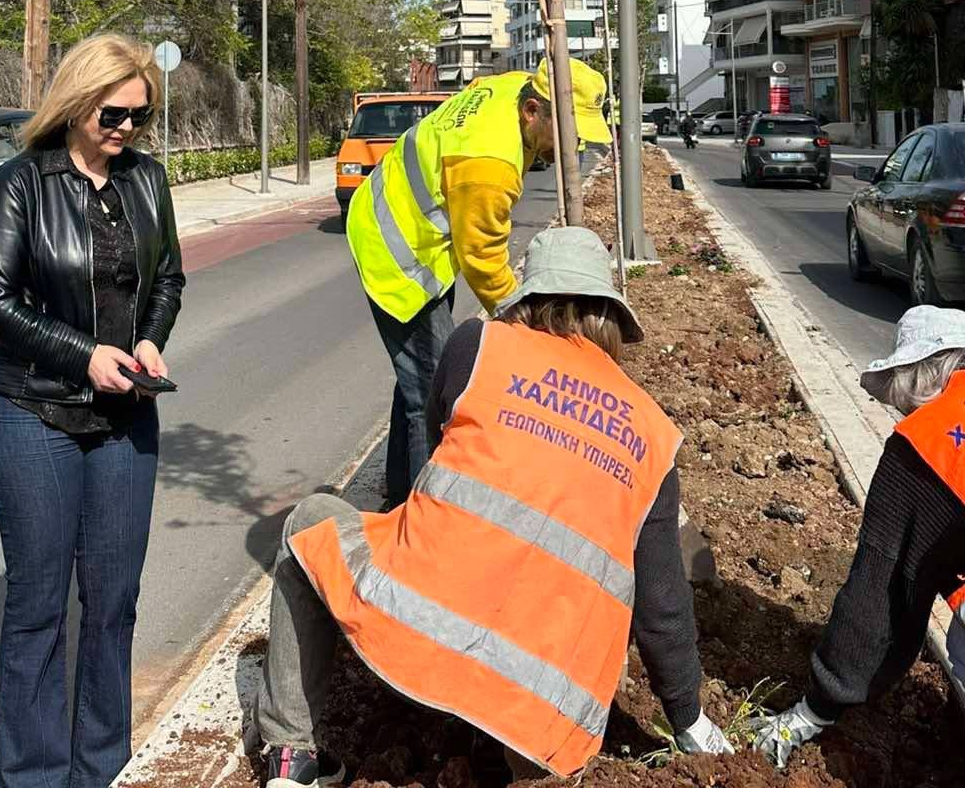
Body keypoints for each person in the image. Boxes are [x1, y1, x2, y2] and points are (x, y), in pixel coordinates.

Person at [253, 227, 732, 787]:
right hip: (543, 708)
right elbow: (662, 606)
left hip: (416, 634)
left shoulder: (477, 347)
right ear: (612, 319)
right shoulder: (653, 433)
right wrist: (690, 720)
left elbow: (440, 455)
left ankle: (291, 759)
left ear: (527, 299)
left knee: (310, 521)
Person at [0, 33, 185, 788]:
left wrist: (150, 343)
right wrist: (83, 354)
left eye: (140, 118)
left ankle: (103, 770)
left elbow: (168, 283)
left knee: (115, 603)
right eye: (114, 115)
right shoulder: (22, 183)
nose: (127, 130)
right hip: (32, 413)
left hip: (125, 418)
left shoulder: (148, 183)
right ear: (77, 102)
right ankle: (31, 777)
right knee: (36, 606)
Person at [346, 57, 610, 507]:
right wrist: (526, 327)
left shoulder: (513, 86)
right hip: (398, 251)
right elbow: (483, 259)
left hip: (415, 231)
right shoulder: (489, 164)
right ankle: (422, 520)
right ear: (532, 110)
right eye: (568, 134)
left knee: (416, 372)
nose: (575, 148)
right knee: (434, 392)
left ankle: (396, 491)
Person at [750, 305, 965, 768]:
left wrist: (819, 704)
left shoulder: (921, 443)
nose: (902, 411)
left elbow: (879, 594)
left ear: (920, 377)